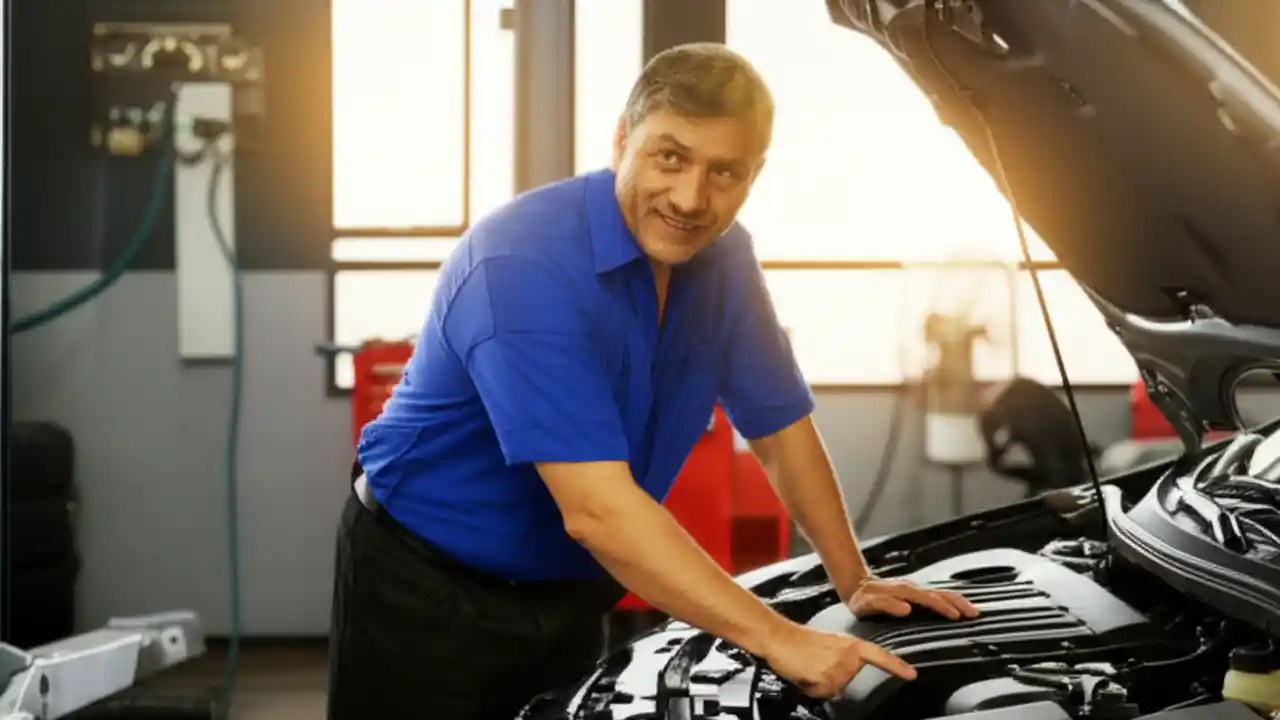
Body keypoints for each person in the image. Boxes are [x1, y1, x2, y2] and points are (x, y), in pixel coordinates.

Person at [327, 42, 979, 719]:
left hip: (572, 592)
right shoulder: (521, 263)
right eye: (670, 157)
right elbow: (598, 511)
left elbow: (779, 429)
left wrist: (854, 578)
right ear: (622, 141)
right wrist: (782, 641)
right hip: (425, 590)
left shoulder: (724, 259)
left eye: (724, 171)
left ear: (754, 174)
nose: (691, 199)